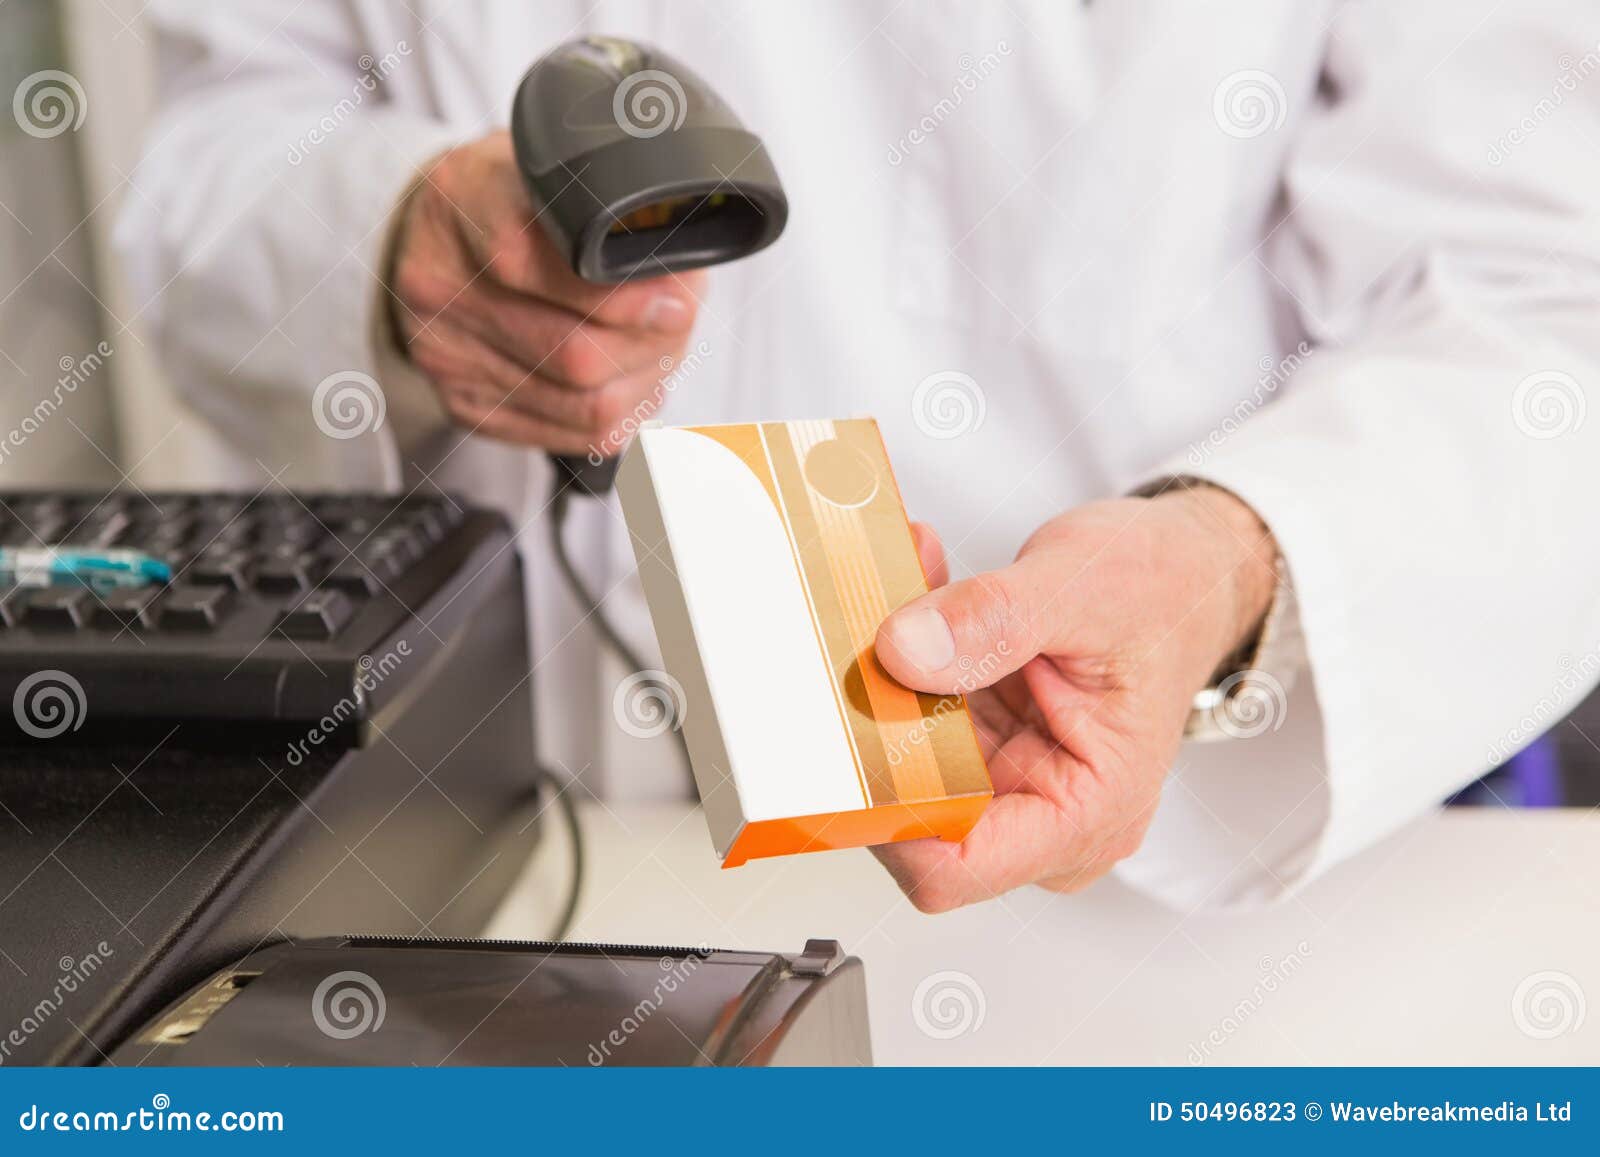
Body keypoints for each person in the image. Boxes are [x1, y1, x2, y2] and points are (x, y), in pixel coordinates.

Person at [119, 1, 1600, 911]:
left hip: (1130, 889)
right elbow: (212, 151)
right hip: (485, 852)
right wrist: (385, 239)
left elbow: (1546, 309)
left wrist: (1227, 561)